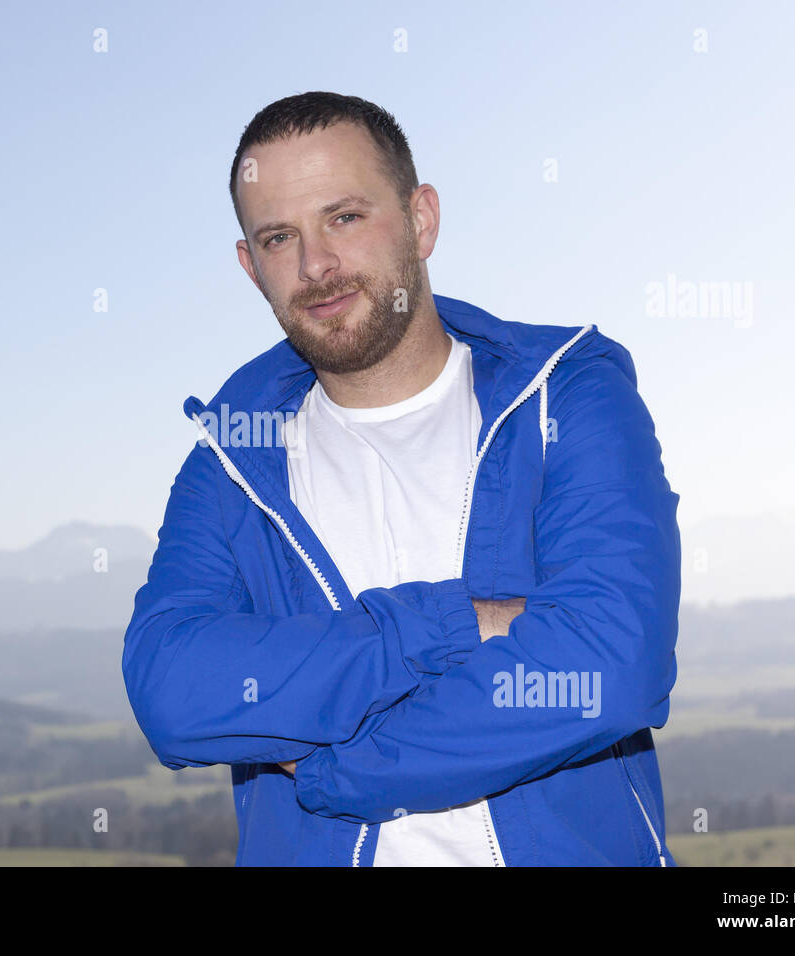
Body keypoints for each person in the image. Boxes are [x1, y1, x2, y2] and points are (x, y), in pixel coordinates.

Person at [121, 91, 681, 866]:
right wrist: (456, 626)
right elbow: (172, 690)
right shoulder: (228, 466)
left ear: (421, 220)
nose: (315, 265)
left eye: (344, 217)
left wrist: (337, 764)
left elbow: (608, 668)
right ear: (251, 267)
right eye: (280, 237)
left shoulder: (568, 397)